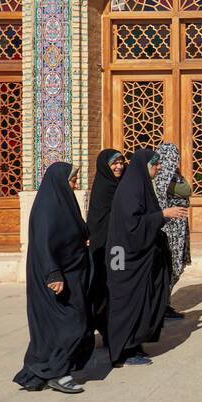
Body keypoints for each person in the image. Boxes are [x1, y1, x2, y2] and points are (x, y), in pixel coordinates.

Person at [14, 162, 94, 393]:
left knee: (63, 325)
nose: (75, 184)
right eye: (72, 180)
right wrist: (53, 274)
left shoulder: (63, 204)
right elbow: (43, 244)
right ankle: (58, 373)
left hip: (73, 273)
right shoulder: (47, 209)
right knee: (70, 325)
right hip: (56, 278)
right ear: (59, 182)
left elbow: (75, 230)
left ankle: (40, 372)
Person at [106, 149, 187, 366]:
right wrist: (163, 215)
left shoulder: (140, 186)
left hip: (138, 255)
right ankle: (122, 351)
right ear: (144, 166)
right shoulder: (131, 190)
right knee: (127, 303)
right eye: (155, 164)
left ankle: (133, 344)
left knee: (143, 300)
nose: (158, 168)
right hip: (126, 257)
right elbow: (131, 225)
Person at [85, 148, 124, 345]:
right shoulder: (105, 187)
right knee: (106, 289)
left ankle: (112, 331)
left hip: (116, 246)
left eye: (121, 162)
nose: (118, 166)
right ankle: (108, 331)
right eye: (114, 163)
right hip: (105, 248)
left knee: (114, 288)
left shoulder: (117, 184)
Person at [151, 142, 192, 317]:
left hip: (178, 225)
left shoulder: (171, 176)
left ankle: (164, 303)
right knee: (171, 265)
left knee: (176, 264)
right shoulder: (163, 178)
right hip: (170, 228)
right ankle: (161, 305)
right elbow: (186, 189)